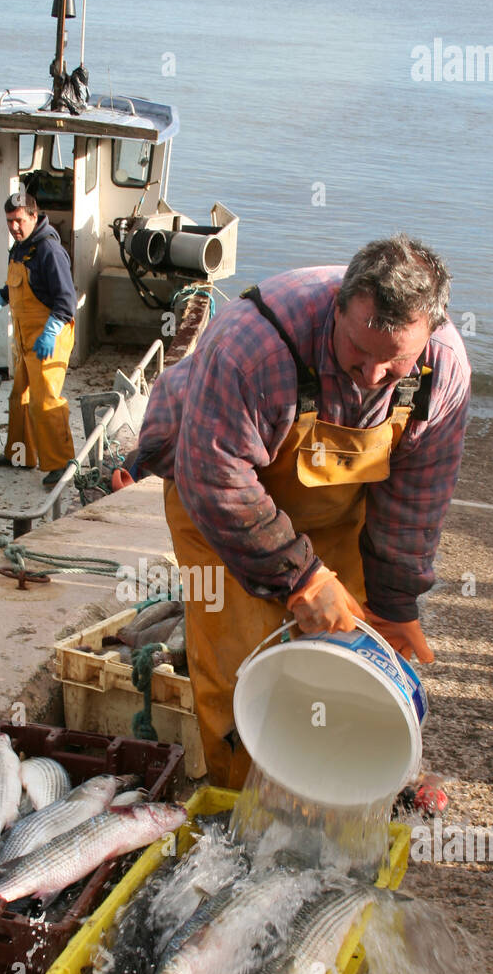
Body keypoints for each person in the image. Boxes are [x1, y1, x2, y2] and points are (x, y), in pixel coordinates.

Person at [131, 233, 471, 788]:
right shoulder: (254, 347)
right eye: (357, 352)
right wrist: (300, 578)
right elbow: (216, 479)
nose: (371, 376)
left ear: (430, 335)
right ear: (337, 308)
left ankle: (330, 795)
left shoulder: (444, 370)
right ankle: (242, 803)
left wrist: (393, 600)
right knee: (240, 668)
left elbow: (416, 497)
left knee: (343, 663)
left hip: (334, 512)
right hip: (218, 503)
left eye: (394, 363)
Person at [0, 192, 77, 486]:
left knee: (45, 402)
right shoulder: (20, 248)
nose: (14, 227)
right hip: (25, 339)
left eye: (19, 220)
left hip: (49, 338)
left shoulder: (49, 251)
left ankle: (61, 464)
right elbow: (14, 287)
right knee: (19, 399)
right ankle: (20, 456)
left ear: (33, 216)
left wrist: (50, 333)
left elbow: (67, 301)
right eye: (9, 221)